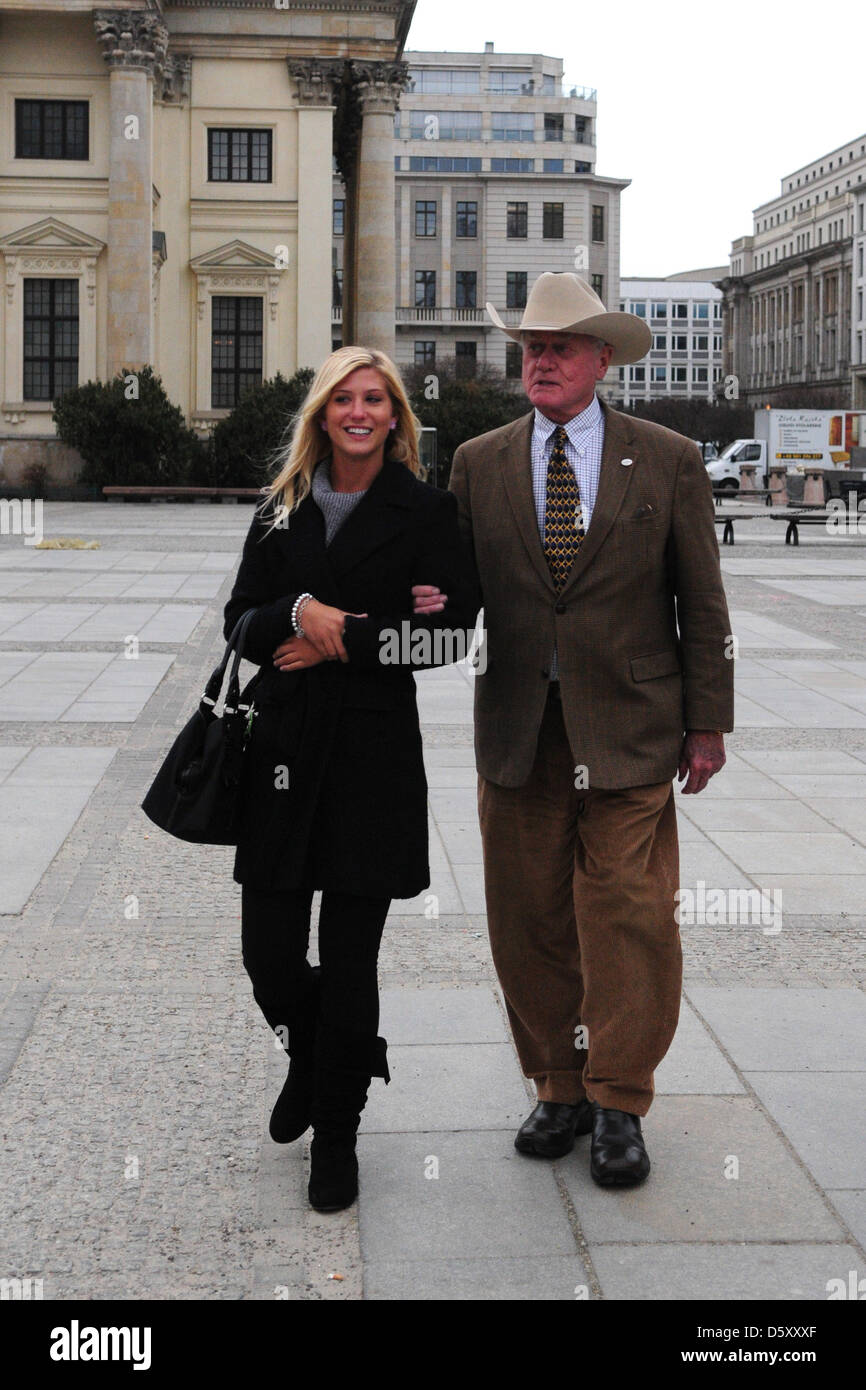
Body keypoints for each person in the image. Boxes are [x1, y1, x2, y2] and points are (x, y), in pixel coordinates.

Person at [413, 273, 734, 1186]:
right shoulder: (477, 460)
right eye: (530, 347)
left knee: (626, 913)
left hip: (632, 726)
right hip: (519, 728)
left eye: (559, 346)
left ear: (602, 359)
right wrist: (411, 608)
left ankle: (620, 1097)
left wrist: (707, 720)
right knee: (528, 916)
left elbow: (701, 600)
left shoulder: (666, 458)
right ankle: (557, 1084)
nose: (542, 360)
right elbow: (458, 592)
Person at [223, 346, 480, 1212]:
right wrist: (298, 612)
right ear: (323, 414)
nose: (360, 412)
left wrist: (346, 636)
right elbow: (240, 622)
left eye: (376, 399)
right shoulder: (281, 506)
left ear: (396, 416)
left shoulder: (428, 510)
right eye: (344, 399)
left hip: (371, 756)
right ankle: (315, 1051)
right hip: (285, 752)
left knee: (351, 958)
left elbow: (449, 639)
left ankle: (338, 1132)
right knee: (267, 953)